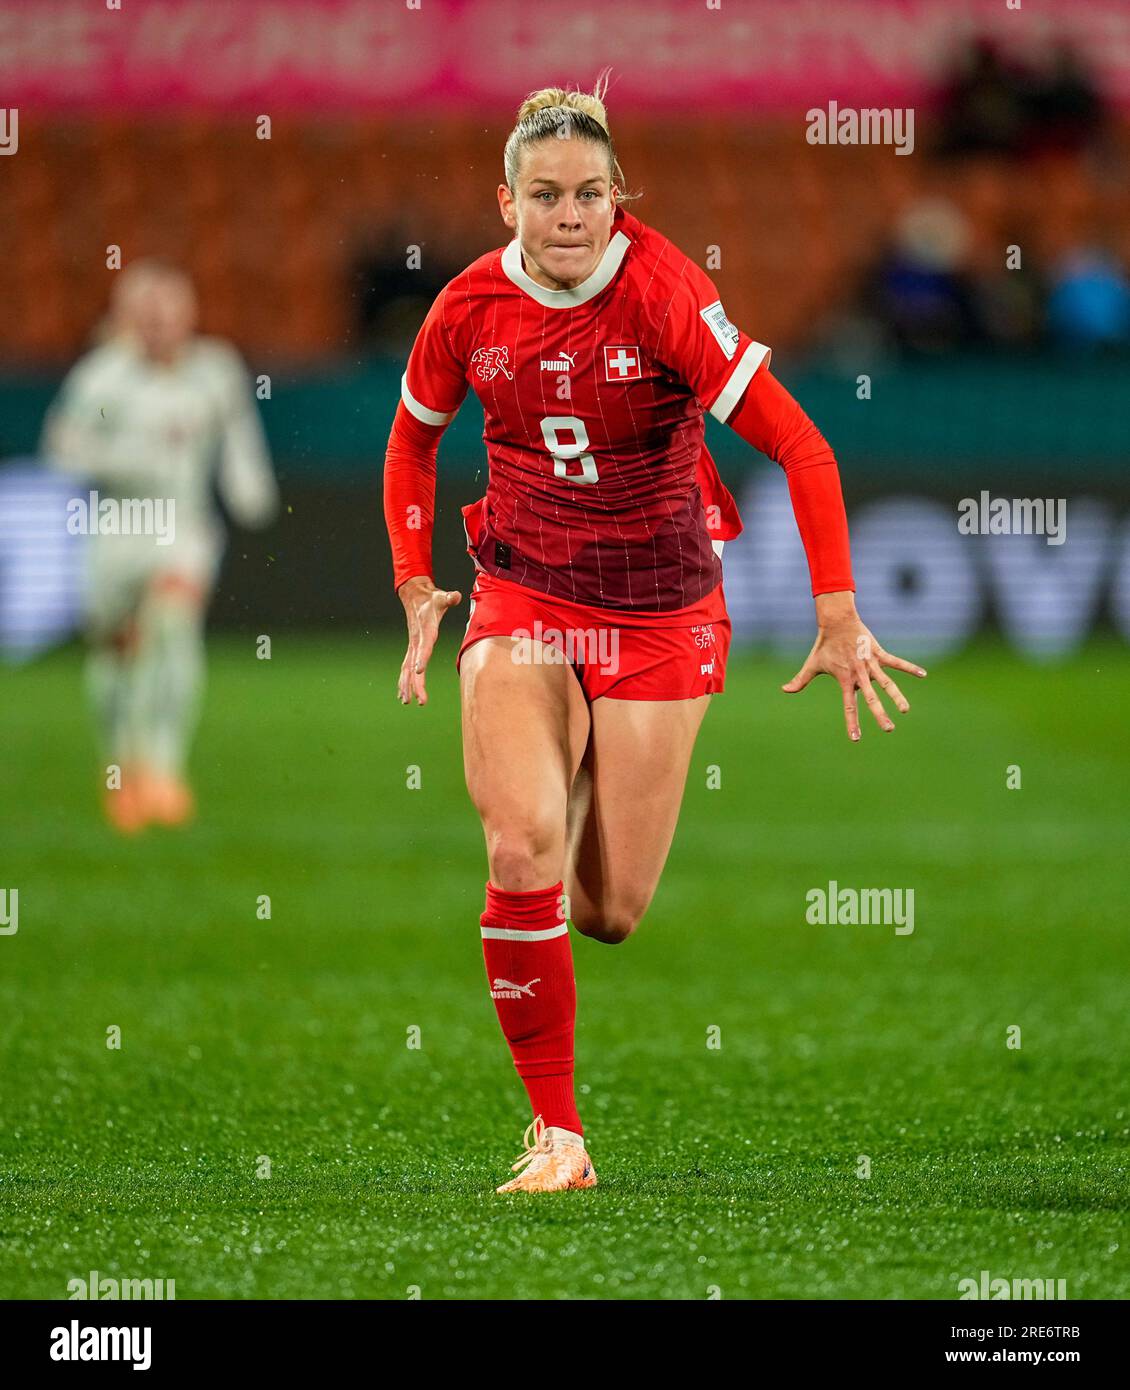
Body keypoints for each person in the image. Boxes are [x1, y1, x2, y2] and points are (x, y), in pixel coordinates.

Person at [383, 74, 926, 1194]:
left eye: (589, 193)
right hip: (522, 590)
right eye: (545, 195)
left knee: (608, 911)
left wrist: (835, 611)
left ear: (619, 196)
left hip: (662, 603)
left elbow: (805, 448)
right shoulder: (465, 310)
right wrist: (410, 578)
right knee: (518, 845)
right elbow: (410, 443)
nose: (569, 215)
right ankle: (557, 1136)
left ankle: (571, 754)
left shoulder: (668, 293)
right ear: (506, 202)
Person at [42, 259, 279, 831]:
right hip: (118, 528)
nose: (159, 327)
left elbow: (238, 438)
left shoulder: (216, 370)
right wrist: (134, 461)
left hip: (182, 526)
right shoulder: (102, 377)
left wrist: (251, 490)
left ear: (189, 315)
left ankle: (166, 768)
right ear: (129, 319)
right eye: (147, 316)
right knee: (117, 652)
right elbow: (62, 450)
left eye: (169, 314)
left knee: (172, 623)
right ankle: (121, 762)